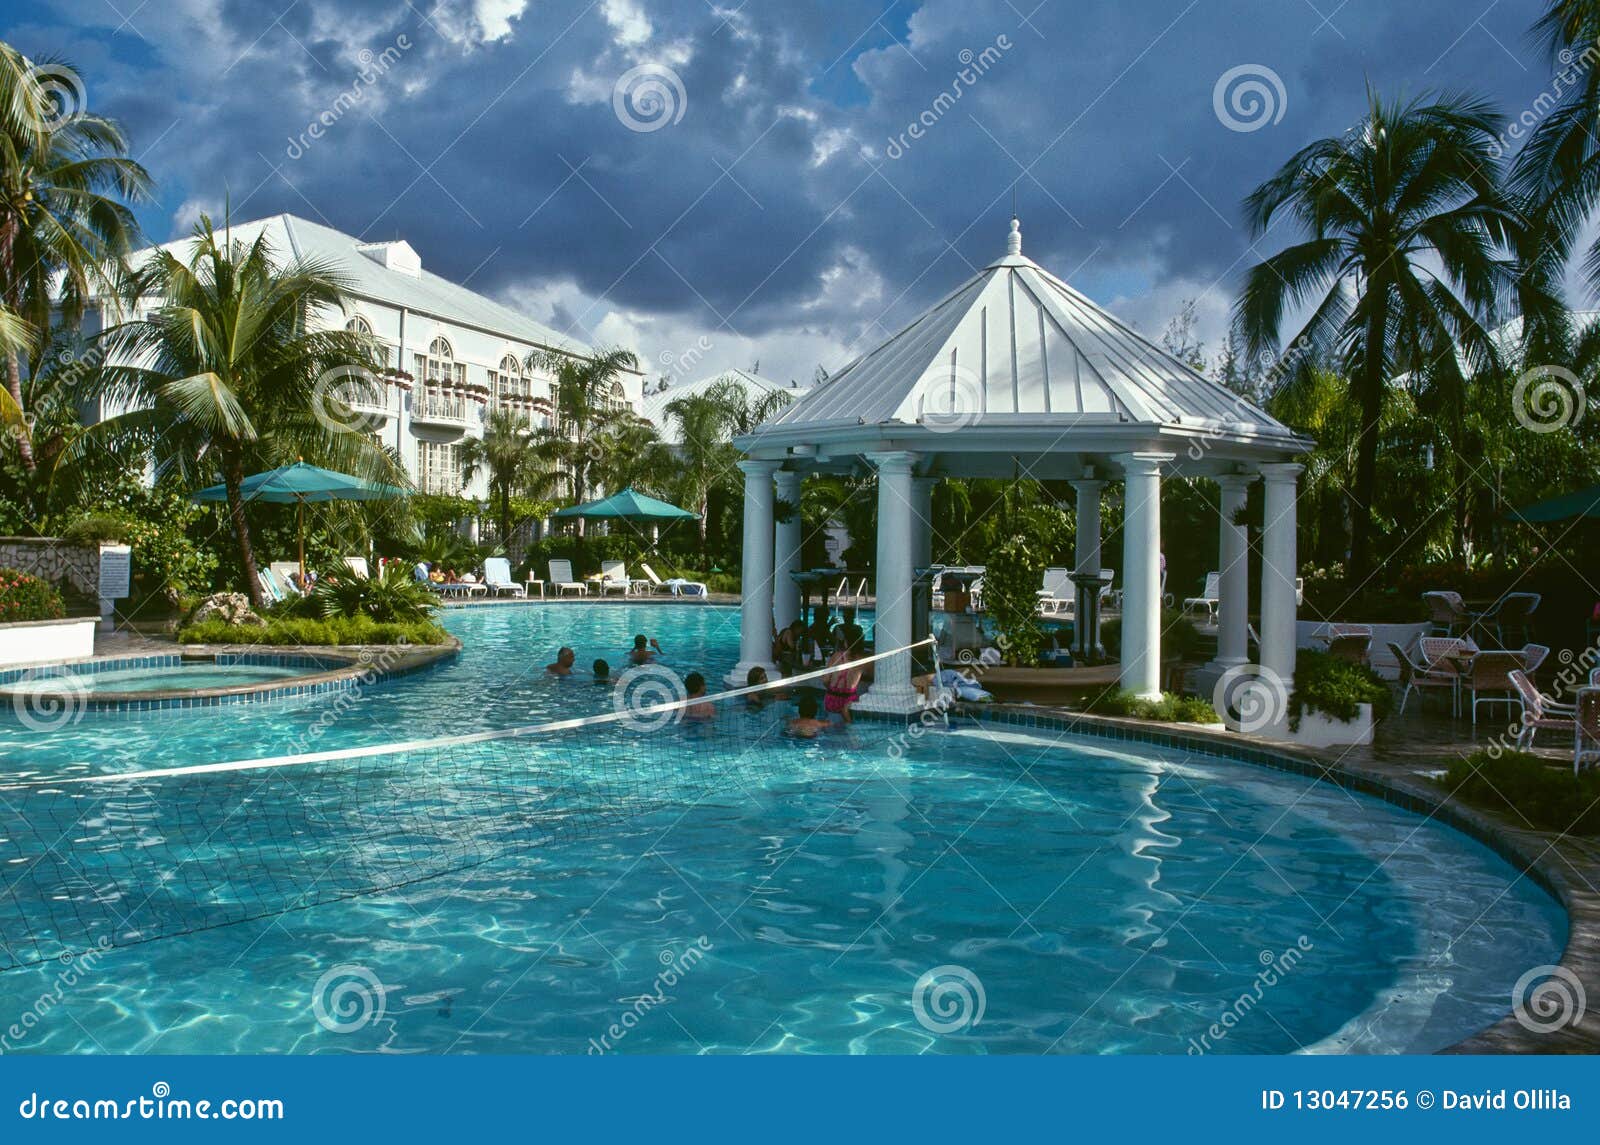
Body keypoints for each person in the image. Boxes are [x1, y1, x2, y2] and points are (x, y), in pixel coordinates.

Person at [823, 636, 863, 723]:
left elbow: (825, 679)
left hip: (832, 699)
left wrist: (831, 689)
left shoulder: (836, 656)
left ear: (846, 642)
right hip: (849, 701)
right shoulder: (862, 660)